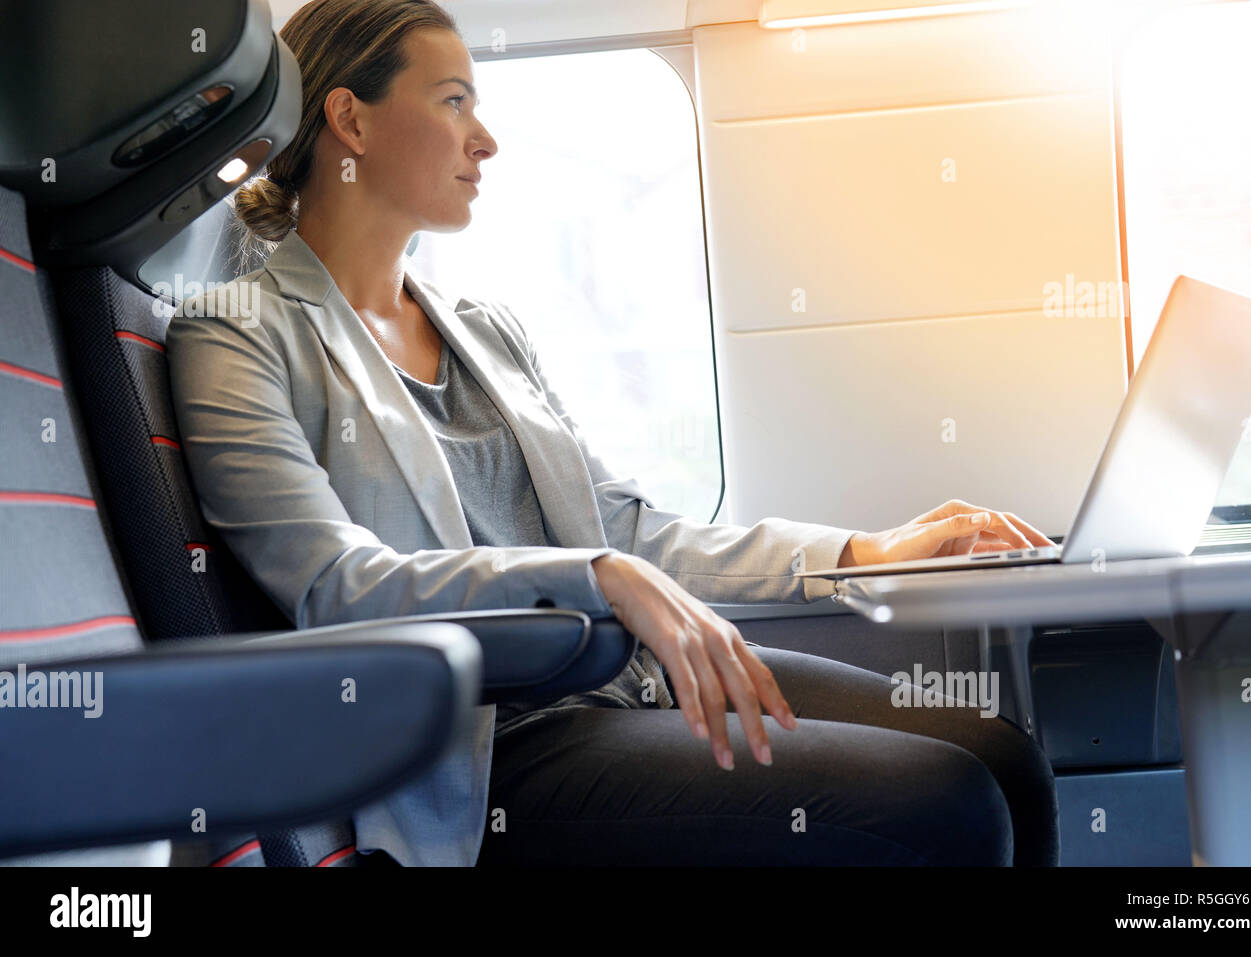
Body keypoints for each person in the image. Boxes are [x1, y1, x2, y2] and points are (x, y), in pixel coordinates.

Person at [167, 0, 1060, 866]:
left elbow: (631, 531)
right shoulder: (239, 330)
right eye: (453, 101)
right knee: (947, 800)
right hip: (487, 749)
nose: (485, 138)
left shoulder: (485, 329)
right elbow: (337, 587)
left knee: (1003, 754)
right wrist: (591, 576)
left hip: (630, 682)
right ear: (350, 121)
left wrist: (863, 551)